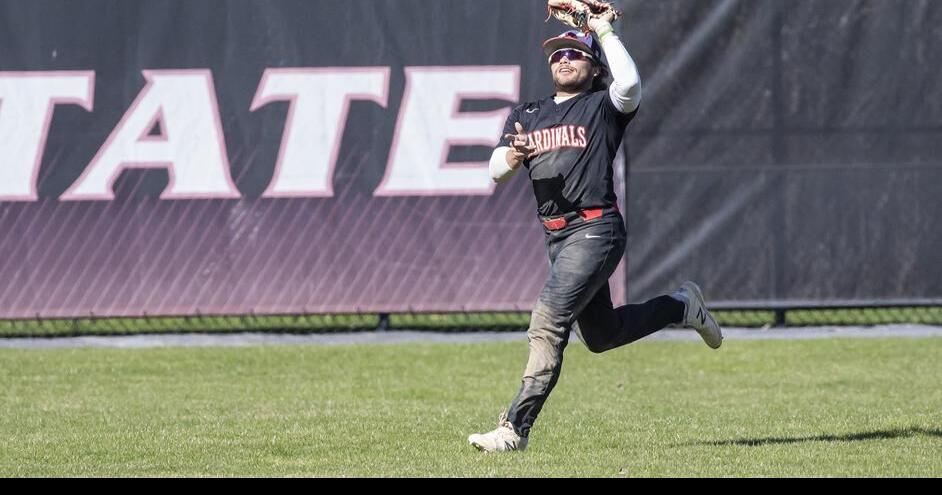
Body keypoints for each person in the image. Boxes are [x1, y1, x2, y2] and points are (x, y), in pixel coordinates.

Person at [467, 13, 723, 453]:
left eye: (575, 53)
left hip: (596, 228)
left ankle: (514, 429)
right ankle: (681, 306)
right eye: (557, 54)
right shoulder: (528, 113)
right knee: (602, 336)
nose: (564, 59)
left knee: (548, 319)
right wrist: (513, 155)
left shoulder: (602, 107)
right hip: (558, 237)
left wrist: (603, 30)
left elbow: (630, 85)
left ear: (594, 65)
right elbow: (494, 171)